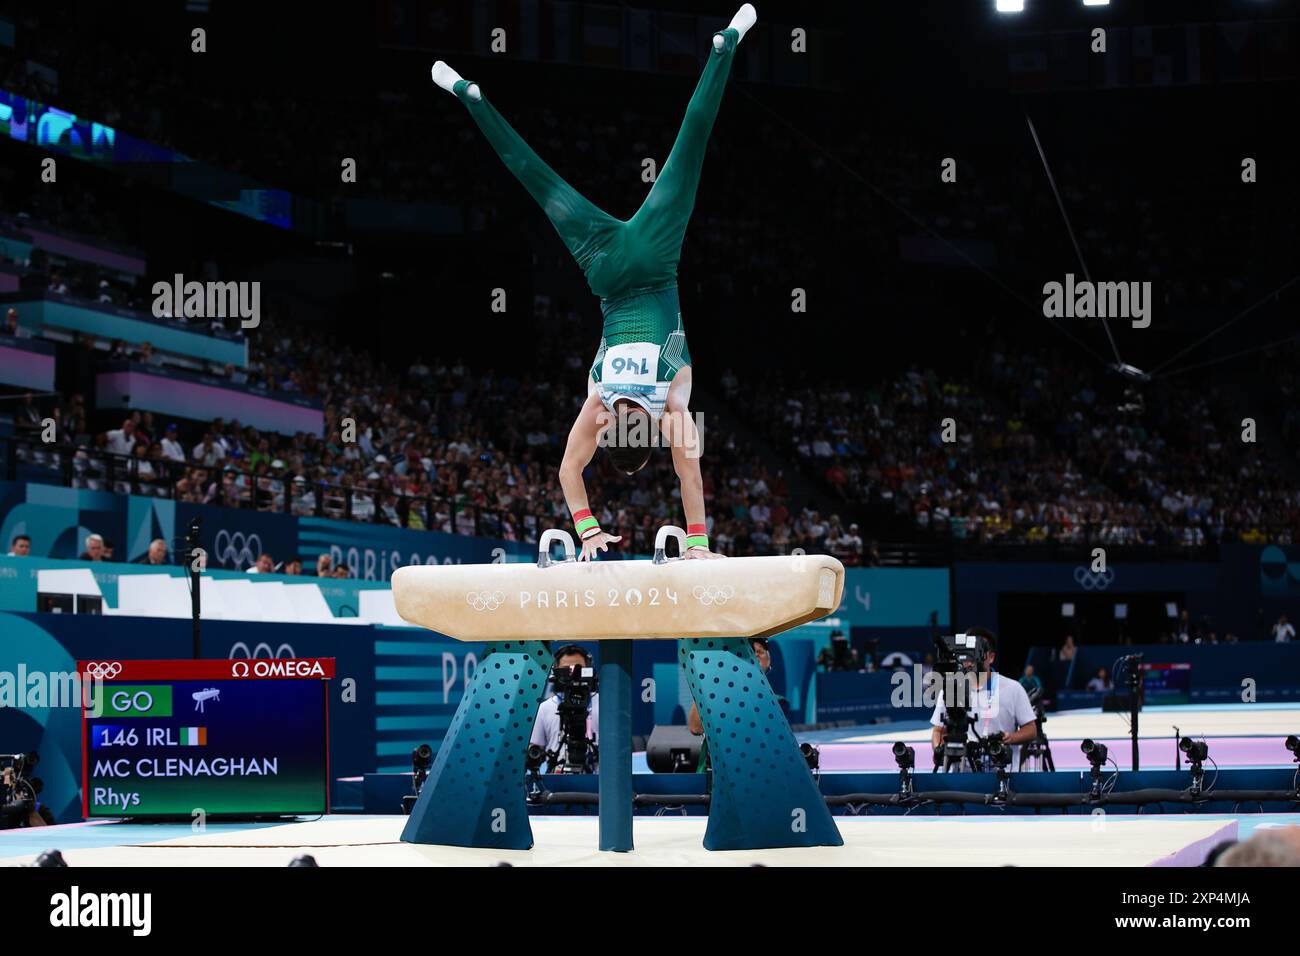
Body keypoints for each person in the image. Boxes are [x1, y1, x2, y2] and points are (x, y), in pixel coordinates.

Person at [431, 4, 757, 562]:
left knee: (690, 148)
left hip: (652, 261)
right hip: (604, 267)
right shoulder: (599, 400)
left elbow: (690, 479)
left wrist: (699, 543)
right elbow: (567, 470)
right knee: (536, 179)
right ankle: (469, 94)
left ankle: (725, 44)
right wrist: (585, 529)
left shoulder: (672, 407)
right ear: (609, 430)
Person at [929, 627, 1038, 771]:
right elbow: (938, 731)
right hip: (961, 774)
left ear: (991, 657)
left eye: (977, 652)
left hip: (1001, 772)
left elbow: (1031, 730)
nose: (971, 658)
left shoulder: (1013, 688)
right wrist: (939, 750)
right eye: (968, 652)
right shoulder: (951, 688)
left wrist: (1010, 738)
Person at [687, 637, 772, 772]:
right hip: (715, 776)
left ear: (769, 660)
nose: (755, 654)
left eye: (760, 652)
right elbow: (696, 728)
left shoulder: (776, 702)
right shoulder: (717, 691)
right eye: (749, 651)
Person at [530, 644, 599, 771]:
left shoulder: (605, 705)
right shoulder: (545, 708)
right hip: (558, 777)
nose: (573, 675)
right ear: (556, 672)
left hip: (600, 781)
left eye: (578, 669)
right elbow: (535, 750)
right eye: (567, 670)